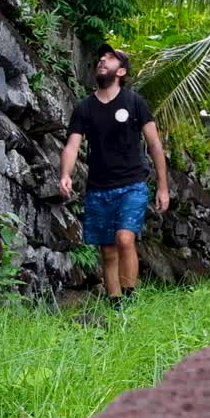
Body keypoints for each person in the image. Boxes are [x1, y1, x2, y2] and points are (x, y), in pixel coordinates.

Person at [59, 44, 169, 307]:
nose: (102, 60)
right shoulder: (85, 108)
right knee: (108, 252)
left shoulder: (135, 102)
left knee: (124, 238)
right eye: (101, 57)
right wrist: (65, 174)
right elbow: (72, 146)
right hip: (98, 188)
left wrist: (163, 187)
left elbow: (154, 146)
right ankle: (116, 305)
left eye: (110, 58)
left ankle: (130, 300)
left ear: (121, 70)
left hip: (132, 185)